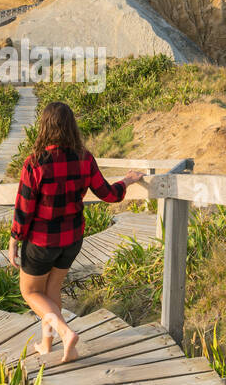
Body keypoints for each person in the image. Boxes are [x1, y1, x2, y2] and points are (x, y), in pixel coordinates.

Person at [8, 100, 143, 362]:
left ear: (44, 127)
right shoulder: (84, 158)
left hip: (41, 241)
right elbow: (108, 194)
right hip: (72, 238)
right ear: (71, 127)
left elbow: (24, 209)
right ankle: (48, 343)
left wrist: (15, 238)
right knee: (52, 290)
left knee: (31, 293)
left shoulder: (35, 164)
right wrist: (127, 180)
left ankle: (65, 333)